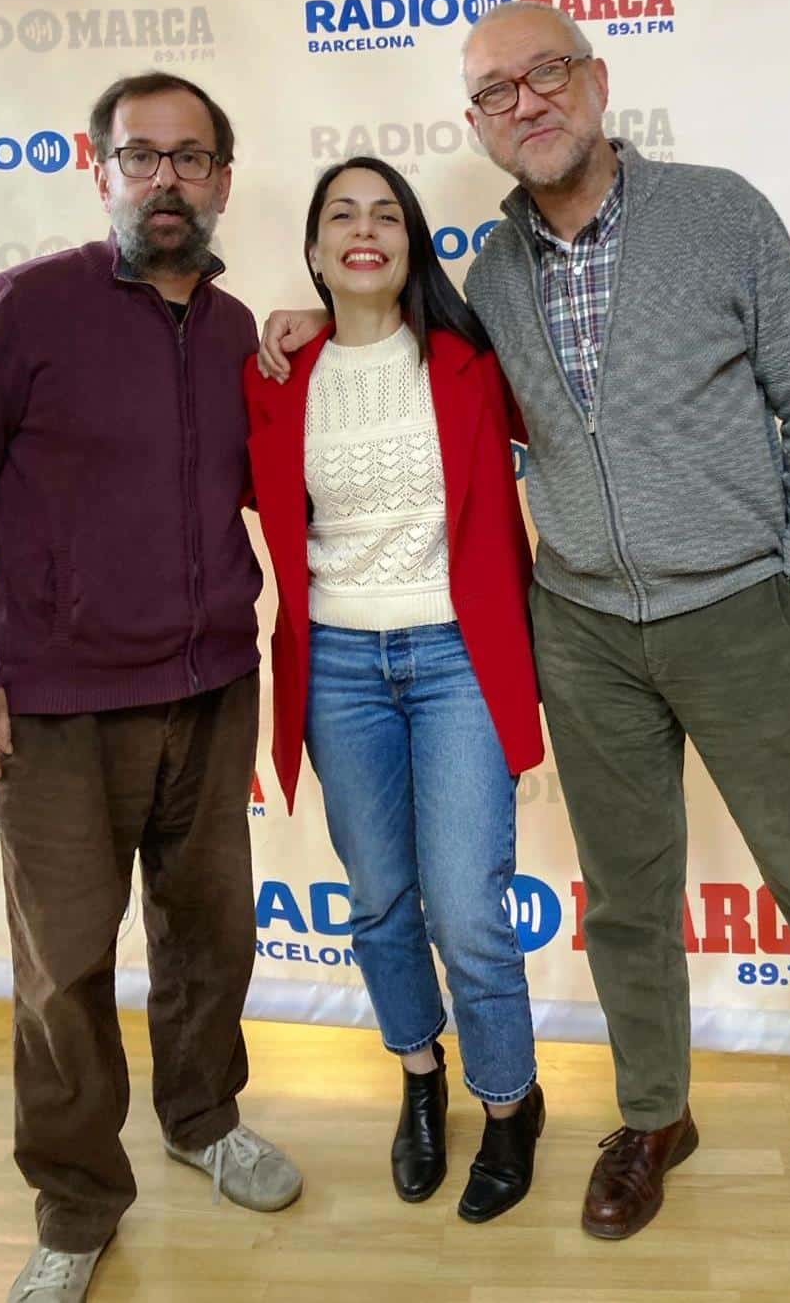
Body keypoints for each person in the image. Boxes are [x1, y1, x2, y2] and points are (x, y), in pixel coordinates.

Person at [260, 1, 790, 1265]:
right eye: (495, 91)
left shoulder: (718, 211)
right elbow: (396, 366)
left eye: (545, 73)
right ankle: (654, 1118)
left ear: (595, 82)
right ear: (480, 124)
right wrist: (295, 326)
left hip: (745, 615)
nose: (526, 103)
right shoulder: (488, 276)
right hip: (587, 632)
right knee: (631, 902)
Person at [0, 72, 302, 1303]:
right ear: (101, 172)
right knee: (66, 967)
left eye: (192, 160)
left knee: (210, 942)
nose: (168, 181)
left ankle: (201, 1118)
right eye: (143, 157)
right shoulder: (24, 308)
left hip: (209, 687)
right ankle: (77, 1203)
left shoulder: (241, 333)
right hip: (56, 708)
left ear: (224, 180)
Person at [243, 156, 546, 1223]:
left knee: (467, 907)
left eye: (387, 214)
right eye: (341, 216)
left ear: (413, 242)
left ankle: (509, 1103)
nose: (365, 229)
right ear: (317, 250)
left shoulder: (470, 363)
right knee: (378, 904)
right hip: (337, 669)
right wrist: (291, 326)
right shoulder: (273, 375)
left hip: (459, 659)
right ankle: (420, 1080)